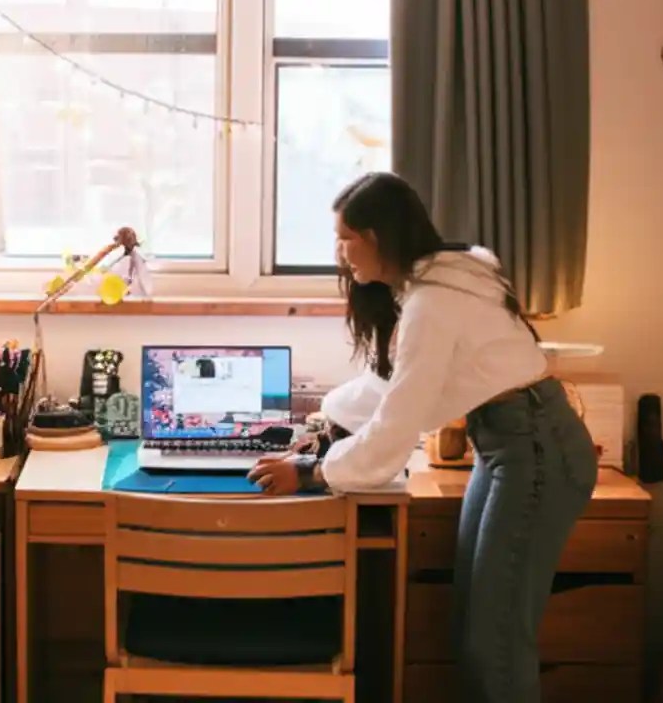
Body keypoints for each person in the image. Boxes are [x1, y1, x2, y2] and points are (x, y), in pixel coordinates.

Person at [247, 172, 598, 703]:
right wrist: (325, 424)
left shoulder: (432, 304)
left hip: (535, 449)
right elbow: (391, 389)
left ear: (379, 237)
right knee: (476, 625)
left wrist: (314, 472)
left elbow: (395, 427)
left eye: (346, 239)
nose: (340, 253)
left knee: (497, 641)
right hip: (507, 445)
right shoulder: (437, 284)